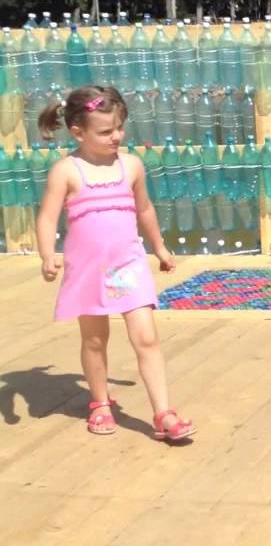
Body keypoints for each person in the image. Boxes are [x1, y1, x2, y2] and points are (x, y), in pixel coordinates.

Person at [35, 86, 195, 442]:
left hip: (127, 267)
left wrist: (160, 248)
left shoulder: (131, 165)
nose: (116, 137)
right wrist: (48, 254)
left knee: (147, 338)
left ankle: (163, 413)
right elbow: (47, 218)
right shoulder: (66, 171)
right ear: (78, 132)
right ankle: (100, 402)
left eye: (119, 128)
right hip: (87, 270)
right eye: (106, 132)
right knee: (95, 340)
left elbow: (144, 210)